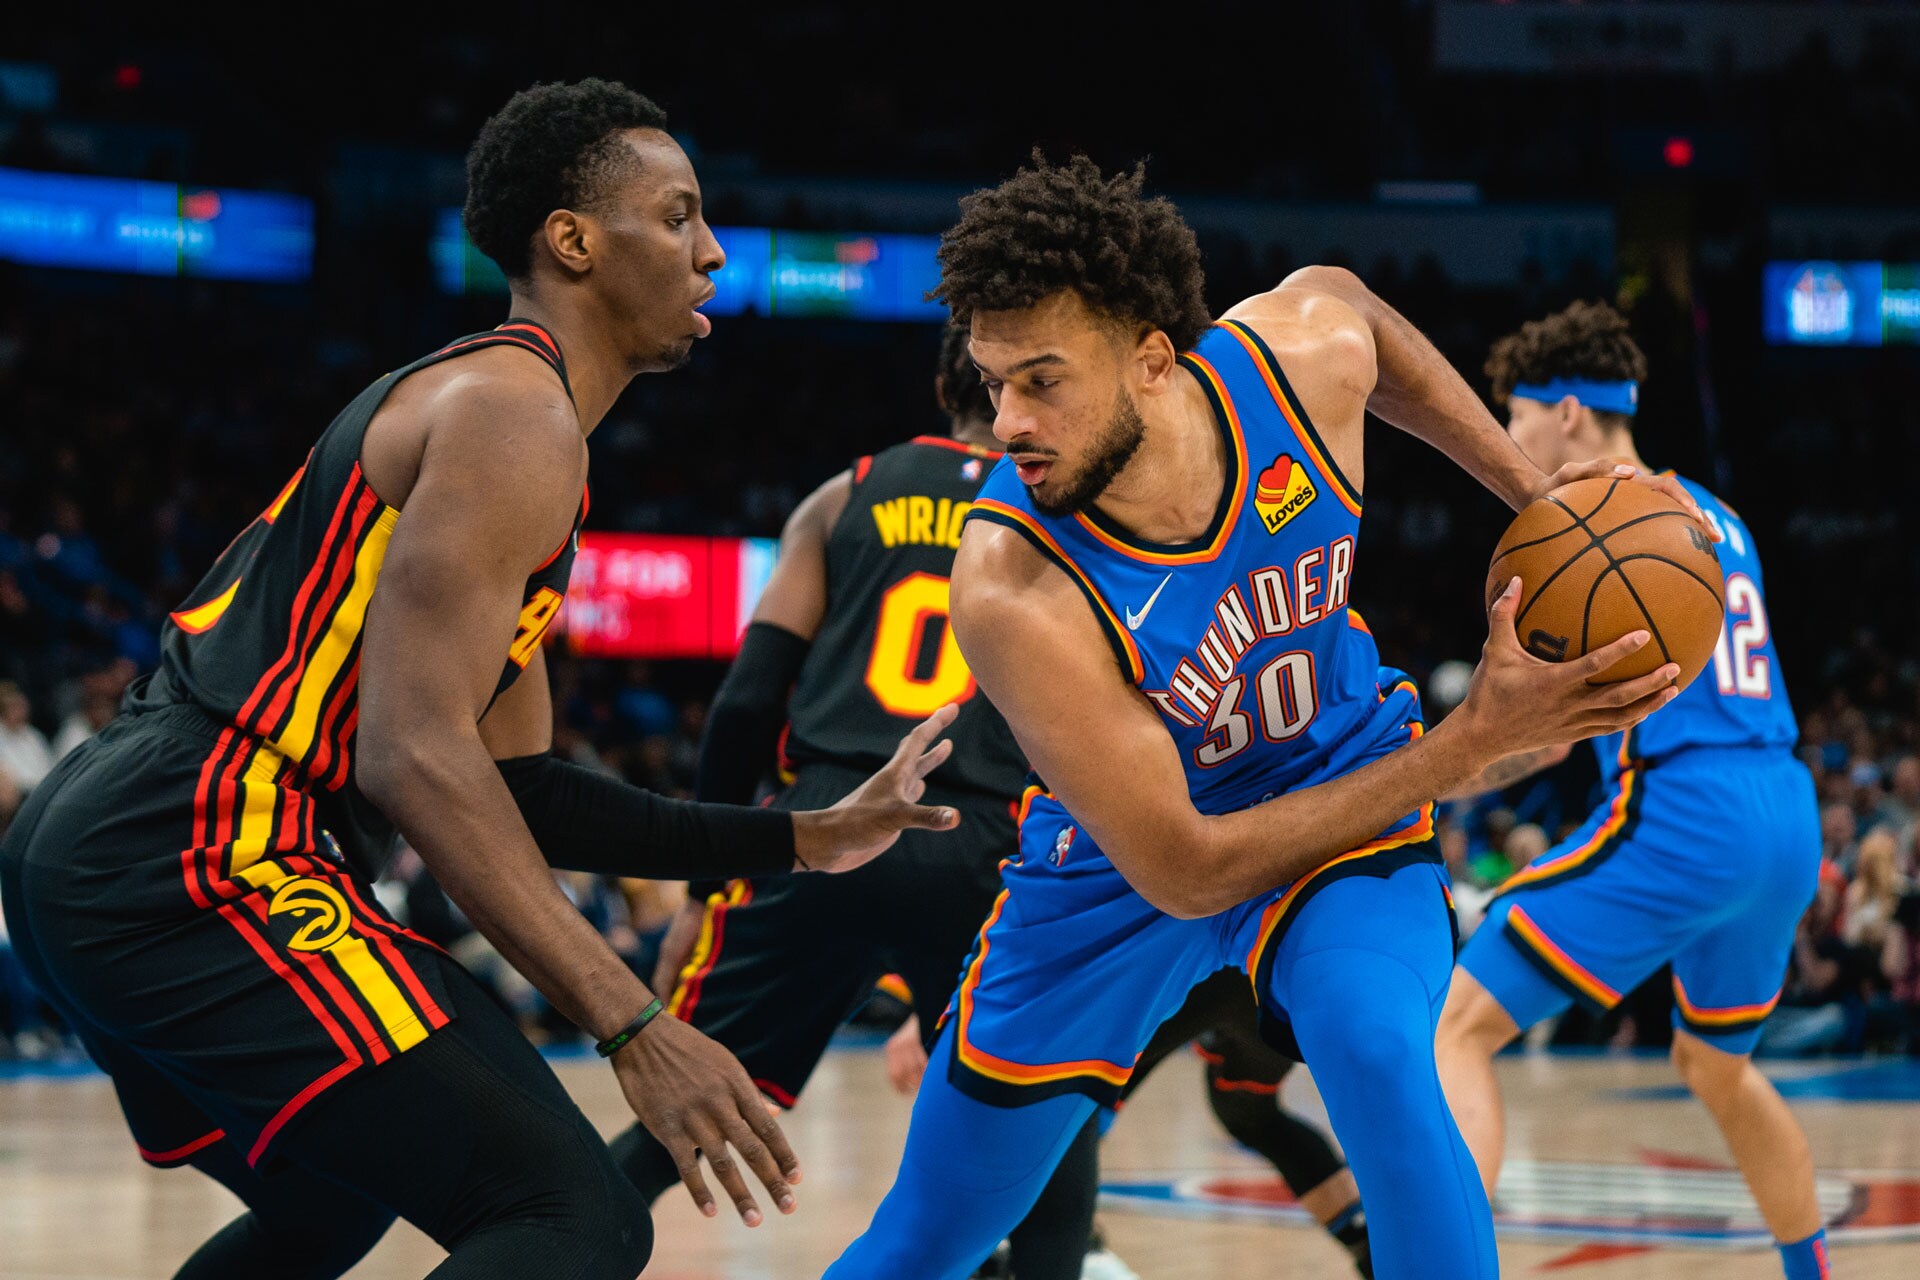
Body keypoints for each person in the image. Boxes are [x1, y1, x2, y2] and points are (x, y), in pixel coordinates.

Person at [0, 79, 958, 1280]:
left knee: (332, 1201)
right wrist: (633, 1018)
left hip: (116, 832)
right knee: (578, 1216)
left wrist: (804, 837)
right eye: (677, 216)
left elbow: (530, 787)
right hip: (198, 840)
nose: (713, 249)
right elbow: (415, 754)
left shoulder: (507, 409)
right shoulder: (517, 413)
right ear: (572, 240)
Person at [825, 154, 1698, 1280]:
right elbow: (1185, 871)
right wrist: (1472, 739)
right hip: (1119, 869)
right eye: (994, 383)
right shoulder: (1012, 583)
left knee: (1378, 1045)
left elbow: (1371, 326)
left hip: (1333, 786)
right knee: (925, 1236)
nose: (1007, 423)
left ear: (1152, 359)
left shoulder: (1293, 364)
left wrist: (1538, 495)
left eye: (1041, 381)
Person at [611, 320, 1106, 1280]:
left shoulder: (843, 495)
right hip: (988, 844)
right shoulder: (1066, 516)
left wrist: (711, 890)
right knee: (1051, 1126)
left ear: (937, 388)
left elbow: (746, 704)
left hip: (827, 825)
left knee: (689, 1109)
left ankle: (547, 1249)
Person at [1433, 301, 1829, 1280]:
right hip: (1783, 807)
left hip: (1686, 807)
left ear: (1568, 412)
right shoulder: (1718, 512)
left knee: (1459, 1022)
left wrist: (1445, 778)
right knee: (1716, 1065)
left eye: (1515, 414)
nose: (1506, 435)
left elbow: (1568, 721)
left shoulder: (1592, 521)